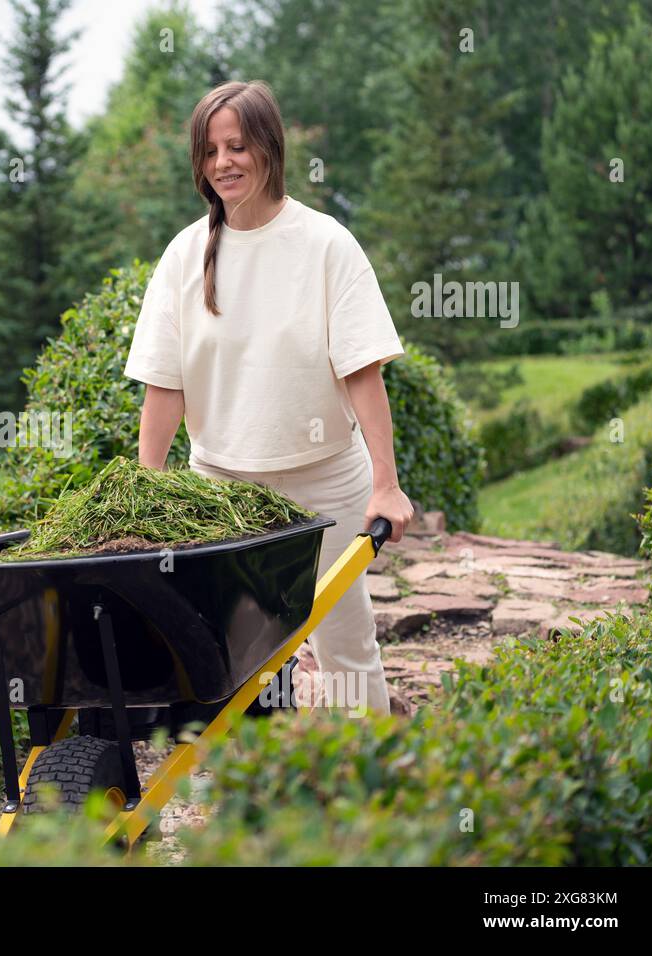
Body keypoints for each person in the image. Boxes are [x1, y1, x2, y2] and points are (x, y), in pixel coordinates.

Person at [123, 80, 414, 717]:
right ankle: (254, 791)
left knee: (345, 641)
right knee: (236, 652)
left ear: (269, 148)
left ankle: (370, 785)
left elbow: (362, 372)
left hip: (326, 484)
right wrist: (147, 489)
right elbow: (164, 383)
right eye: (209, 150)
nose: (223, 162)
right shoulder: (182, 257)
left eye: (237, 146)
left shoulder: (326, 244)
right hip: (222, 489)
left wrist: (386, 484)